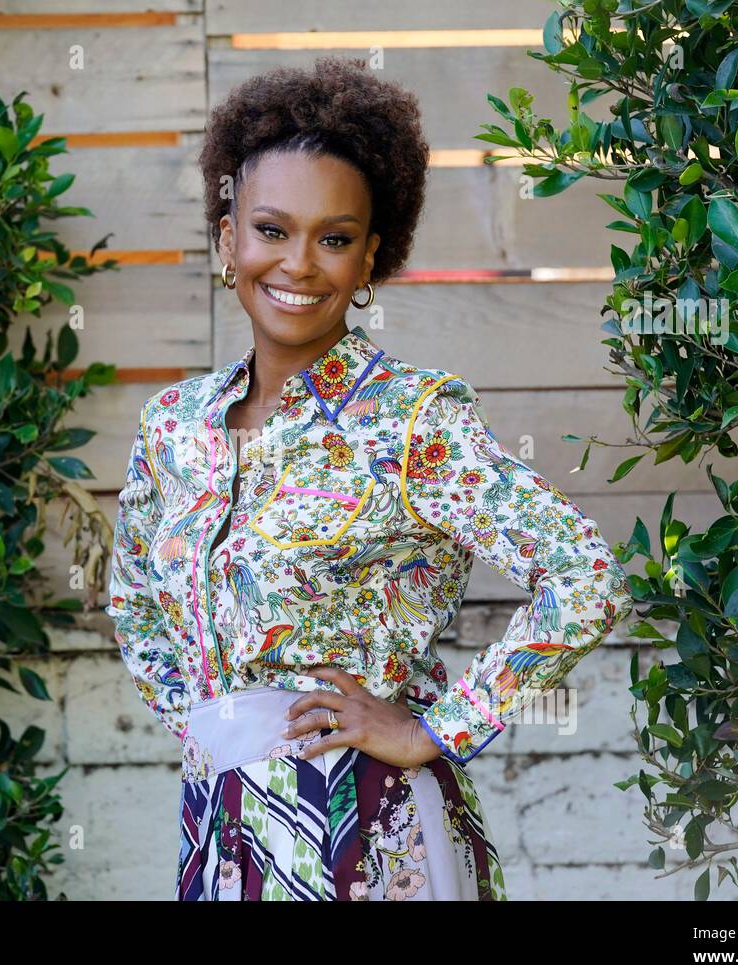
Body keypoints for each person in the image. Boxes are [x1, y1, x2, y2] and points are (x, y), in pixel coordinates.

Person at [105, 56, 634, 901]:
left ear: (371, 258)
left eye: (336, 237)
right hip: (219, 833)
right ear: (225, 235)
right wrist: (216, 726)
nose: (301, 264)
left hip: (367, 834)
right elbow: (133, 597)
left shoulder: (411, 420)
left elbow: (583, 575)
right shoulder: (175, 424)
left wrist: (436, 728)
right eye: (272, 229)